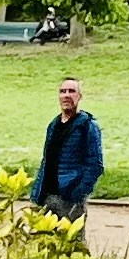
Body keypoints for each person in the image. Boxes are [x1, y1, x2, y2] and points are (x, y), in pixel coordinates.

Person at [31, 77, 104, 229]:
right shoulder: (54, 125)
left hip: (70, 199)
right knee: (45, 245)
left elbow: (95, 165)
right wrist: (37, 193)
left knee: (72, 246)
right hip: (47, 196)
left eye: (71, 91)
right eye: (62, 91)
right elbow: (46, 160)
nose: (66, 95)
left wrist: (77, 194)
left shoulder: (87, 126)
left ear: (79, 96)